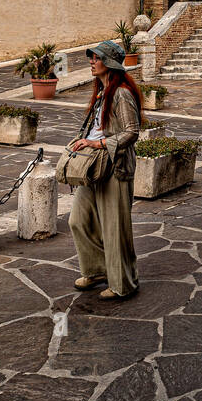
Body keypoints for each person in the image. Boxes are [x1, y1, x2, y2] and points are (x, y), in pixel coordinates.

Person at [67, 40, 142, 300]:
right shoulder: (101, 91)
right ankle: (97, 269)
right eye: (91, 57)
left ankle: (123, 283)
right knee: (78, 220)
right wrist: (83, 142)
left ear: (107, 63)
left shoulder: (121, 92)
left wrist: (97, 142)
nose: (91, 61)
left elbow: (132, 132)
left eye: (96, 58)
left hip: (115, 167)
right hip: (94, 164)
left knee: (114, 227)